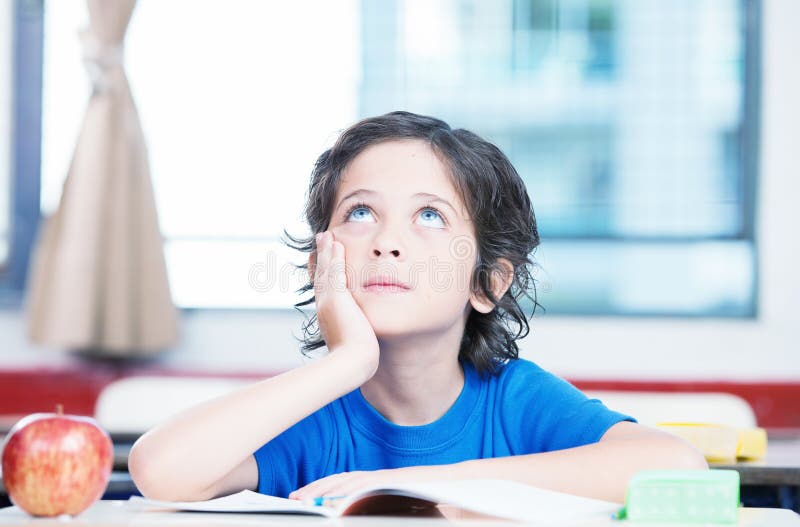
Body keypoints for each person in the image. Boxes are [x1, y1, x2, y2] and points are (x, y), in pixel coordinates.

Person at [128, 112, 706, 505]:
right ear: (319, 264)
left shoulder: (515, 402)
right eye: (360, 213)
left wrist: (417, 485)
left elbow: (676, 468)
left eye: (430, 216)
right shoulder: (316, 419)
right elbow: (161, 471)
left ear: (488, 282)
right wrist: (347, 361)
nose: (387, 242)